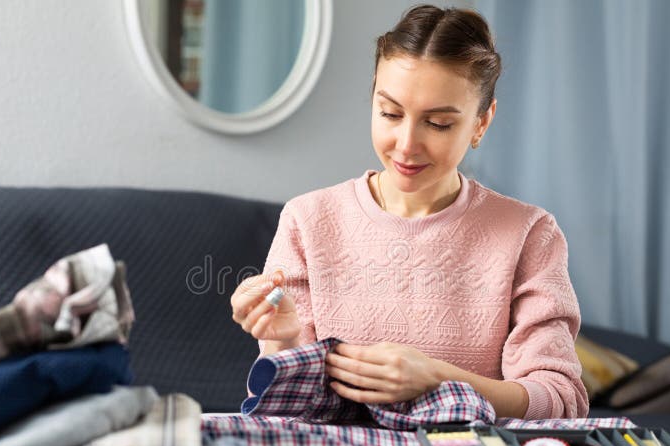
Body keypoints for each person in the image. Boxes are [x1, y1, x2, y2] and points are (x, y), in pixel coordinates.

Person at [230, 5, 588, 420]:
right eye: (390, 113)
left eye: (437, 123)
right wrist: (282, 342)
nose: (405, 144)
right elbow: (291, 411)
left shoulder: (528, 233)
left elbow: (561, 400)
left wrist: (440, 378)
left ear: (481, 123)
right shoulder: (307, 220)